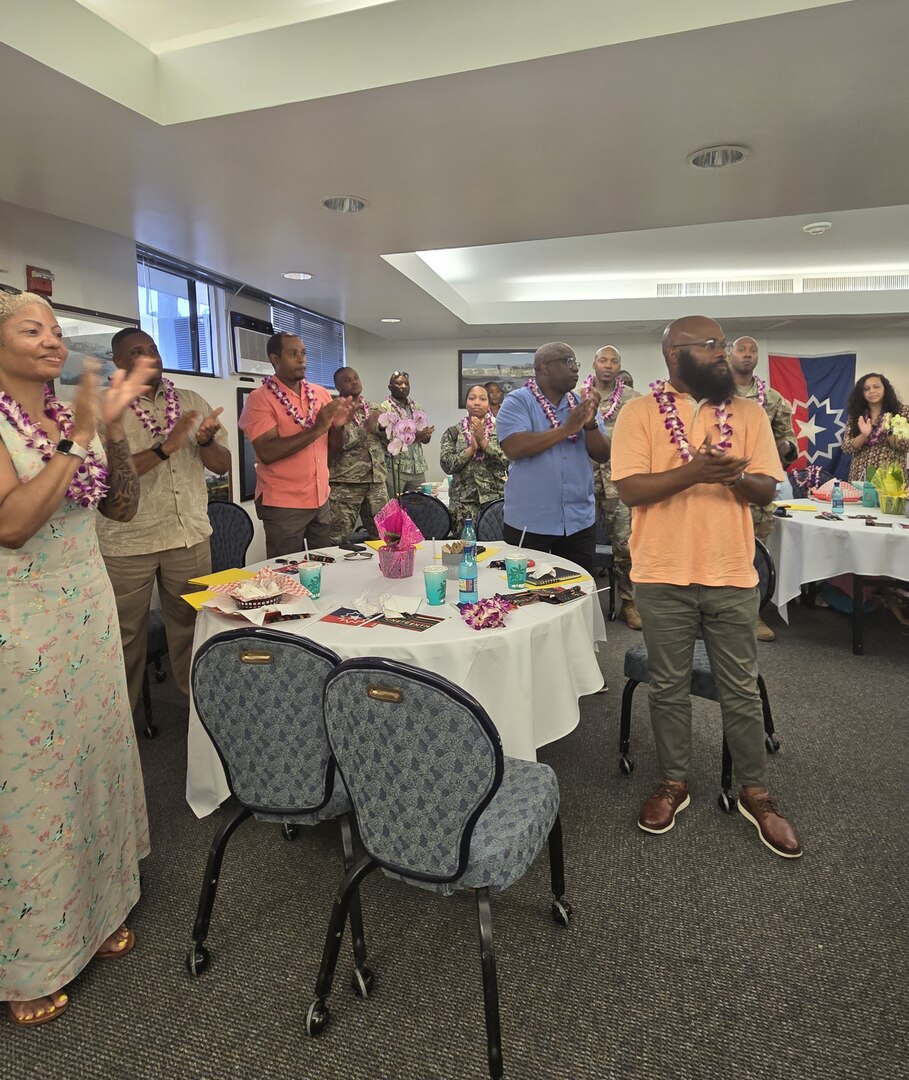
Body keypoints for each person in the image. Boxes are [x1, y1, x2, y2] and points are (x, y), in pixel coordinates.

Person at [0, 292, 151, 1025]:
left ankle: (94, 915)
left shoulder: (69, 418)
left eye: (57, 331)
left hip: (86, 606)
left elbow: (118, 506)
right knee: (36, 783)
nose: (52, 341)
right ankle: (30, 958)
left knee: (93, 758)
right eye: (31, 329)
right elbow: (13, 525)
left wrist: (108, 430)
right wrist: (79, 436)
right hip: (22, 623)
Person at [611, 315, 801, 859]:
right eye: (711, 346)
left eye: (723, 344)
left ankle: (757, 794)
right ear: (675, 354)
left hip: (731, 573)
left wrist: (733, 477)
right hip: (661, 574)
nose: (724, 355)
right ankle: (673, 782)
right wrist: (696, 472)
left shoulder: (748, 413)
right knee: (668, 685)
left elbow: (765, 490)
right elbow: (629, 490)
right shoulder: (639, 412)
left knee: (741, 687)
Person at [97, 329, 231, 714]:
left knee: (194, 628)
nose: (149, 355)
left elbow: (221, 467)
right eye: (136, 351)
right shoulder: (104, 409)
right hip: (127, 542)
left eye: (152, 348)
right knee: (124, 638)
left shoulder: (190, 400)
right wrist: (165, 447)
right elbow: (107, 479)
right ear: (118, 361)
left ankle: (198, 716)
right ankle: (120, 728)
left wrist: (205, 442)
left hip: (187, 536)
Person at [496, 342, 610, 575]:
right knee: (522, 594)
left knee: (576, 590)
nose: (576, 369)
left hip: (578, 521)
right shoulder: (517, 401)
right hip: (529, 522)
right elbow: (514, 447)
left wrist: (590, 424)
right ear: (545, 368)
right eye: (568, 361)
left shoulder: (581, 404)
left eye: (575, 362)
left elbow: (603, 454)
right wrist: (567, 429)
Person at [239, 332, 351, 557]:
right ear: (275, 359)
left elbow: (333, 448)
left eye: (303, 353)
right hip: (284, 503)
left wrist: (337, 427)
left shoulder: (319, 393)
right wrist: (317, 428)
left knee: (326, 566)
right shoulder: (259, 399)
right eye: (293, 354)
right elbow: (267, 451)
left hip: (321, 498)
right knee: (287, 571)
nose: (302, 360)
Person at [729, 336, 798, 642]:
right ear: (730, 354)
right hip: (719, 483)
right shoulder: (714, 392)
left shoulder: (772, 398)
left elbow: (788, 438)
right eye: (741, 349)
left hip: (758, 484)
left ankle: (753, 614)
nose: (747, 354)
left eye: (752, 350)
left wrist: (785, 446)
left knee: (753, 550)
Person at [586, 345, 641, 628]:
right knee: (578, 543)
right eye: (603, 360)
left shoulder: (634, 400)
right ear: (594, 364)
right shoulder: (577, 397)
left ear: (619, 366)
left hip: (619, 482)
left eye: (614, 361)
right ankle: (577, 603)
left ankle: (628, 603)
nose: (608, 365)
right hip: (582, 481)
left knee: (625, 544)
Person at [328, 366, 387, 543]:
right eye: (348, 380)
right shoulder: (333, 410)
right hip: (346, 483)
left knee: (386, 537)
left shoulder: (374, 408)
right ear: (338, 387)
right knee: (338, 539)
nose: (354, 381)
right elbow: (338, 445)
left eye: (356, 377)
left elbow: (389, 443)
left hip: (377, 481)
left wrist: (384, 430)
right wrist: (365, 429)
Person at [440, 384, 508, 535]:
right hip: (462, 503)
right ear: (466, 403)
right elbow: (447, 465)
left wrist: (484, 443)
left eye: (482, 399)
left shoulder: (502, 429)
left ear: (489, 403)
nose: (477, 402)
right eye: (472, 398)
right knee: (465, 550)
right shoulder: (453, 432)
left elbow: (509, 461)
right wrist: (470, 450)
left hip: (494, 500)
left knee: (497, 547)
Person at [841, 372, 909, 483]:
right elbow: (846, 447)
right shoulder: (857, 414)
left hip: (891, 479)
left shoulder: (902, 412)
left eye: (876, 387)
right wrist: (863, 435)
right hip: (860, 478)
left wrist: (888, 431)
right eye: (866, 389)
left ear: (885, 389)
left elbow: (905, 446)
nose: (871, 391)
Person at [380, 371, 434, 497]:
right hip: (396, 469)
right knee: (395, 508)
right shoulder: (384, 408)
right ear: (390, 387)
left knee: (420, 507)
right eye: (399, 384)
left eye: (406, 384)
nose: (403, 386)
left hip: (418, 468)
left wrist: (427, 434)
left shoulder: (417, 406)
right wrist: (416, 437)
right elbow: (387, 439)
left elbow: (425, 440)